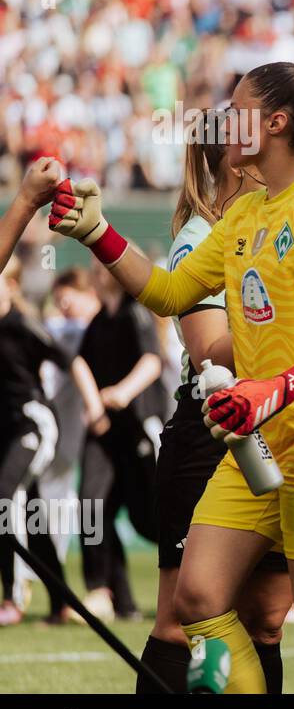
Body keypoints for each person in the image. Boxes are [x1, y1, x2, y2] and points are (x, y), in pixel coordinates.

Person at [51, 58, 294, 694]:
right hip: (257, 443)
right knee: (199, 596)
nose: (223, 122)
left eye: (237, 110)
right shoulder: (244, 213)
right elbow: (172, 290)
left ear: (277, 122)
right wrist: (96, 232)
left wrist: (273, 388)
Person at [138, 109, 293, 693]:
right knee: (181, 622)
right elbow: (209, 353)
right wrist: (291, 324)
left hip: (278, 422)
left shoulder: (282, 221)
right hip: (211, 431)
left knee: (267, 621)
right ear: (237, 153)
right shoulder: (199, 237)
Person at [0, 264, 105, 625]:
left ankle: (13, 596)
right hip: (6, 429)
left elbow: (71, 360)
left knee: (4, 494)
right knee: (34, 512)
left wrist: (95, 406)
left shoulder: (22, 326)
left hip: (35, 423)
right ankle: (62, 601)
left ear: (10, 286)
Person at [75, 261, 166, 622]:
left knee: (150, 519)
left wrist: (123, 393)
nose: (96, 269)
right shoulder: (100, 321)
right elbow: (78, 360)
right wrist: (94, 404)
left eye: (102, 265)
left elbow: (152, 361)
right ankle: (104, 593)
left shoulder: (136, 314)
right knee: (92, 506)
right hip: (105, 431)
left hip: (139, 427)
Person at [0, 158, 62, 273]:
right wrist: (27, 200)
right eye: (30, 221)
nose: (30, 226)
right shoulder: (19, 240)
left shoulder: (44, 235)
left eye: (35, 220)